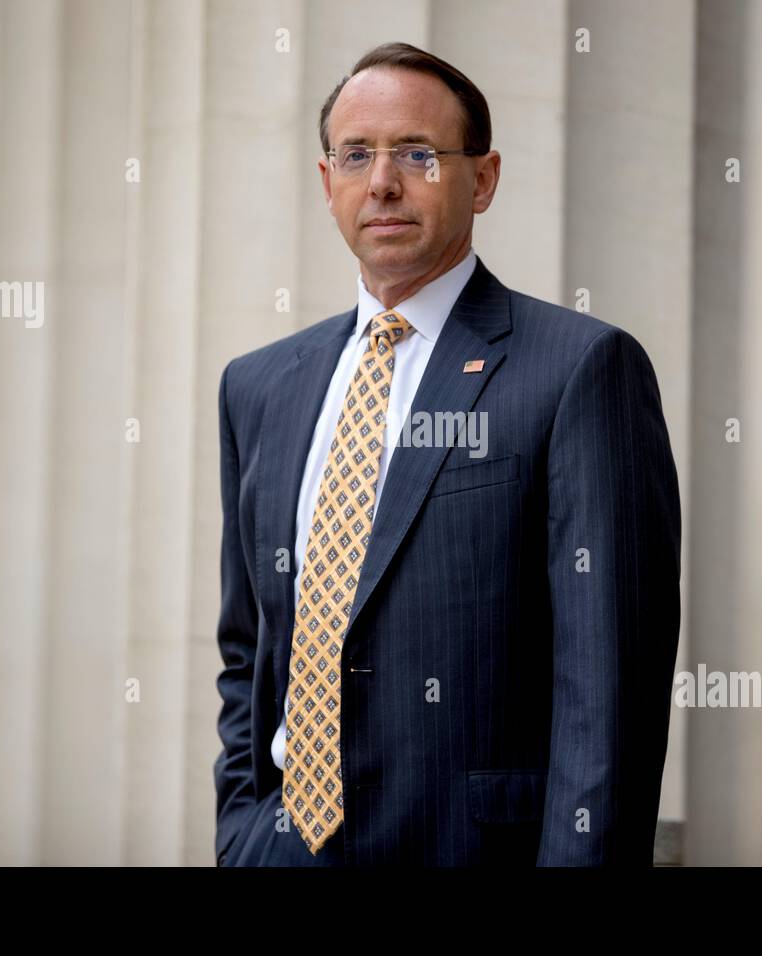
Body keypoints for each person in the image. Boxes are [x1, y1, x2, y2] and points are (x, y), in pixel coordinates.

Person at [214, 41, 681, 866]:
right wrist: (243, 828)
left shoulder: (578, 370)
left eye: (418, 154)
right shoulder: (259, 388)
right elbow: (248, 647)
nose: (383, 182)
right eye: (356, 155)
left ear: (485, 178)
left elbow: (609, 687)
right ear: (328, 184)